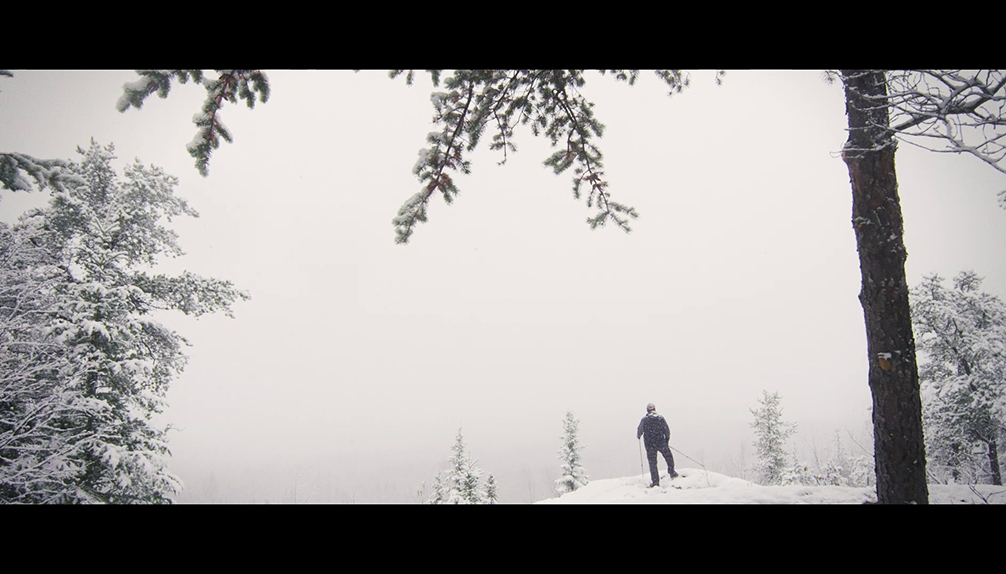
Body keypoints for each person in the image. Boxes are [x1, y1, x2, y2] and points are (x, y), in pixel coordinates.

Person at [637, 403, 678, 487]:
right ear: (655, 409)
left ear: (647, 410)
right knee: (668, 457)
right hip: (661, 442)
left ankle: (655, 482)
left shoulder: (645, 419)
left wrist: (639, 436)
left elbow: (639, 432)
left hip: (649, 445)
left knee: (653, 463)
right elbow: (667, 430)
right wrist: (666, 441)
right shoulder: (660, 418)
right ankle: (672, 472)